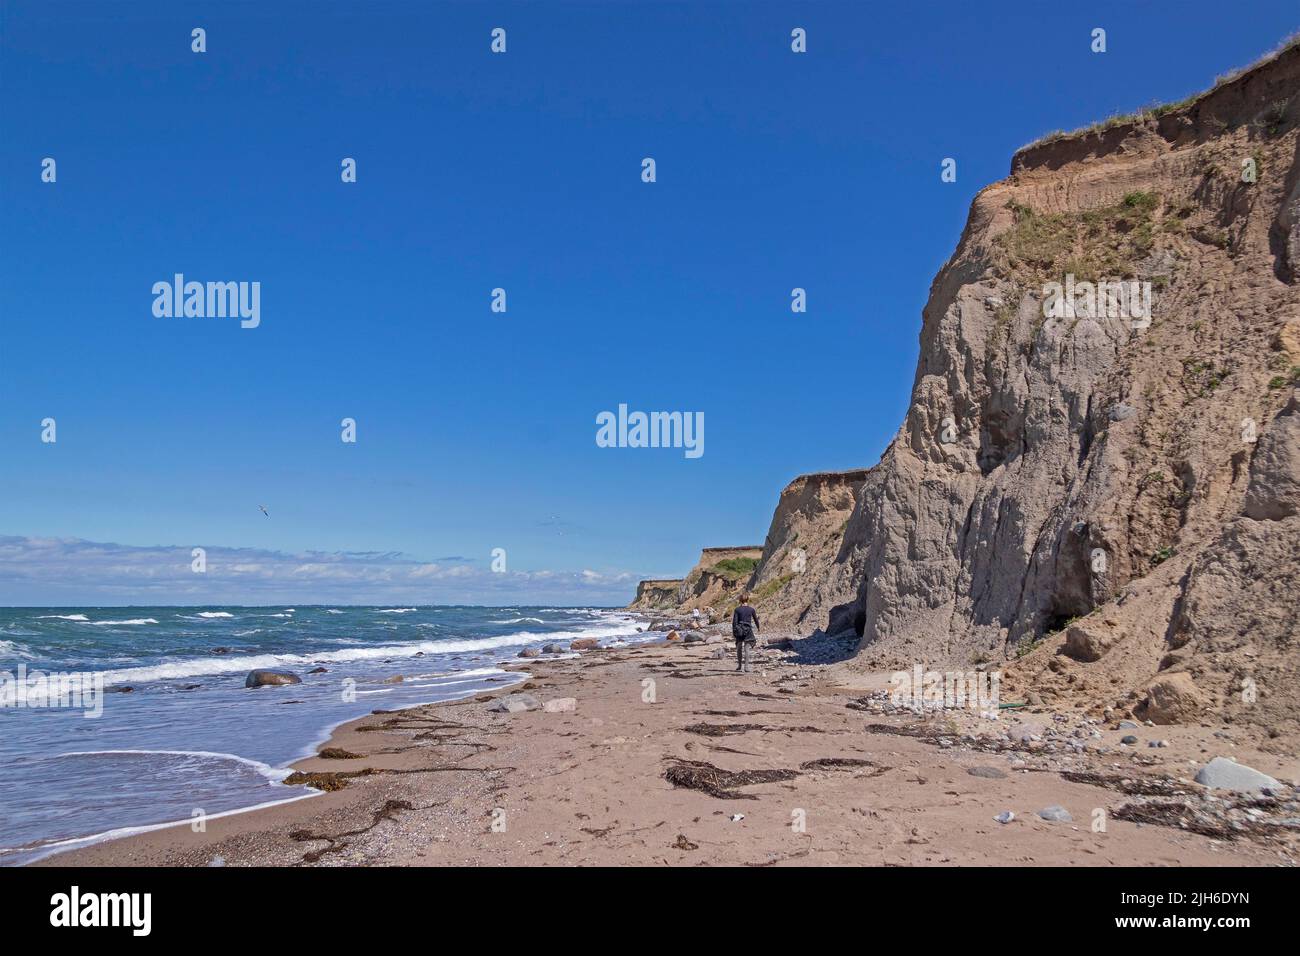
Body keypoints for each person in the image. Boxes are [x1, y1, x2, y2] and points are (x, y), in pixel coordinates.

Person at [731, 595, 759, 673]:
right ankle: (746, 667)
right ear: (748, 600)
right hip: (748, 629)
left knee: (739, 648)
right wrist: (758, 627)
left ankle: (739, 666)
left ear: (740, 600)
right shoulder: (751, 609)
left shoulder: (737, 609)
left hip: (739, 629)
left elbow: (734, 622)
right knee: (747, 649)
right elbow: (755, 619)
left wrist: (734, 631)